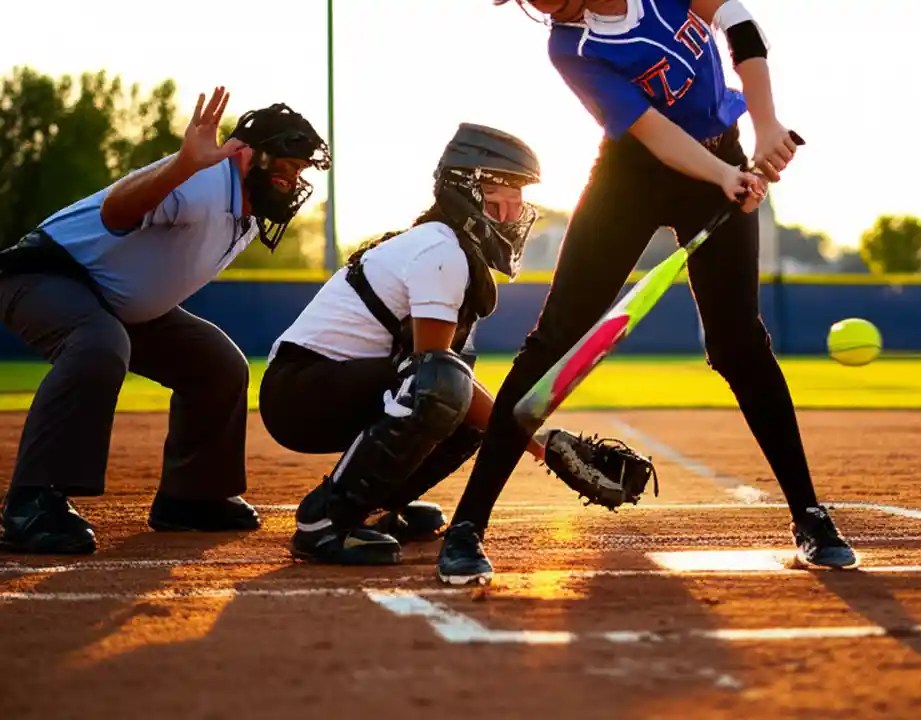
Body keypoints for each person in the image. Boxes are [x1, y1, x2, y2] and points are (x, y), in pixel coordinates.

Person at [434, 0, 859, 583]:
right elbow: (657, 138)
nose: (534, 3)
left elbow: (736, 21)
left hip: (723, 151)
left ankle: (810, 516)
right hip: (632, 177)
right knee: (552, 343)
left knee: (739, 345)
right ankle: (468, 527)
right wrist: (725, 178)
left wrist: (765, 125)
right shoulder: (571, 46)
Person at [260, 123, 651, 571]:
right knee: (445, 386)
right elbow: (434, 376)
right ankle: (325, 519)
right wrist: (537, 444)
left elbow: (448, 385)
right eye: (509, 191)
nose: (518, 208)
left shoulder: (451, 251)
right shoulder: (440, 250)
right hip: (298, 392)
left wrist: (531, 437)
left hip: (331, 385)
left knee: (461, 399)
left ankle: (376, 506)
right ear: (470, 188)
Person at [0, 87, 330, 554]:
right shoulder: (203, 182)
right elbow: (115, 211)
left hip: (110, 297)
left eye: (298, 170)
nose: (293, 178)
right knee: (99, 343)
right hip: (44, 273)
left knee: (218, 364)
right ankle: (29, 502)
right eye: (286, 162)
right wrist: (181, 165)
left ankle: (191, 497)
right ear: (245, 156)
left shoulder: (247, 213)